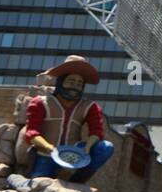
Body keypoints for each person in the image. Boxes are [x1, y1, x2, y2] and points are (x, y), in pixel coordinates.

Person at [15, 55, 115, 183]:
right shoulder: (40, 103)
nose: (75, 87)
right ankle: (16, 180)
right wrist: (49, 147)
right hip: (47, 154)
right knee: (37, 185)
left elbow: (96, 132)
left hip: (74, 152)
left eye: (79, 84)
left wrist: (87, 147)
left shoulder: (89, 107)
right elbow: (31, 132)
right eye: (71, 82)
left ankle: (77, 182)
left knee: (106, 147)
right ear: (61, 82)